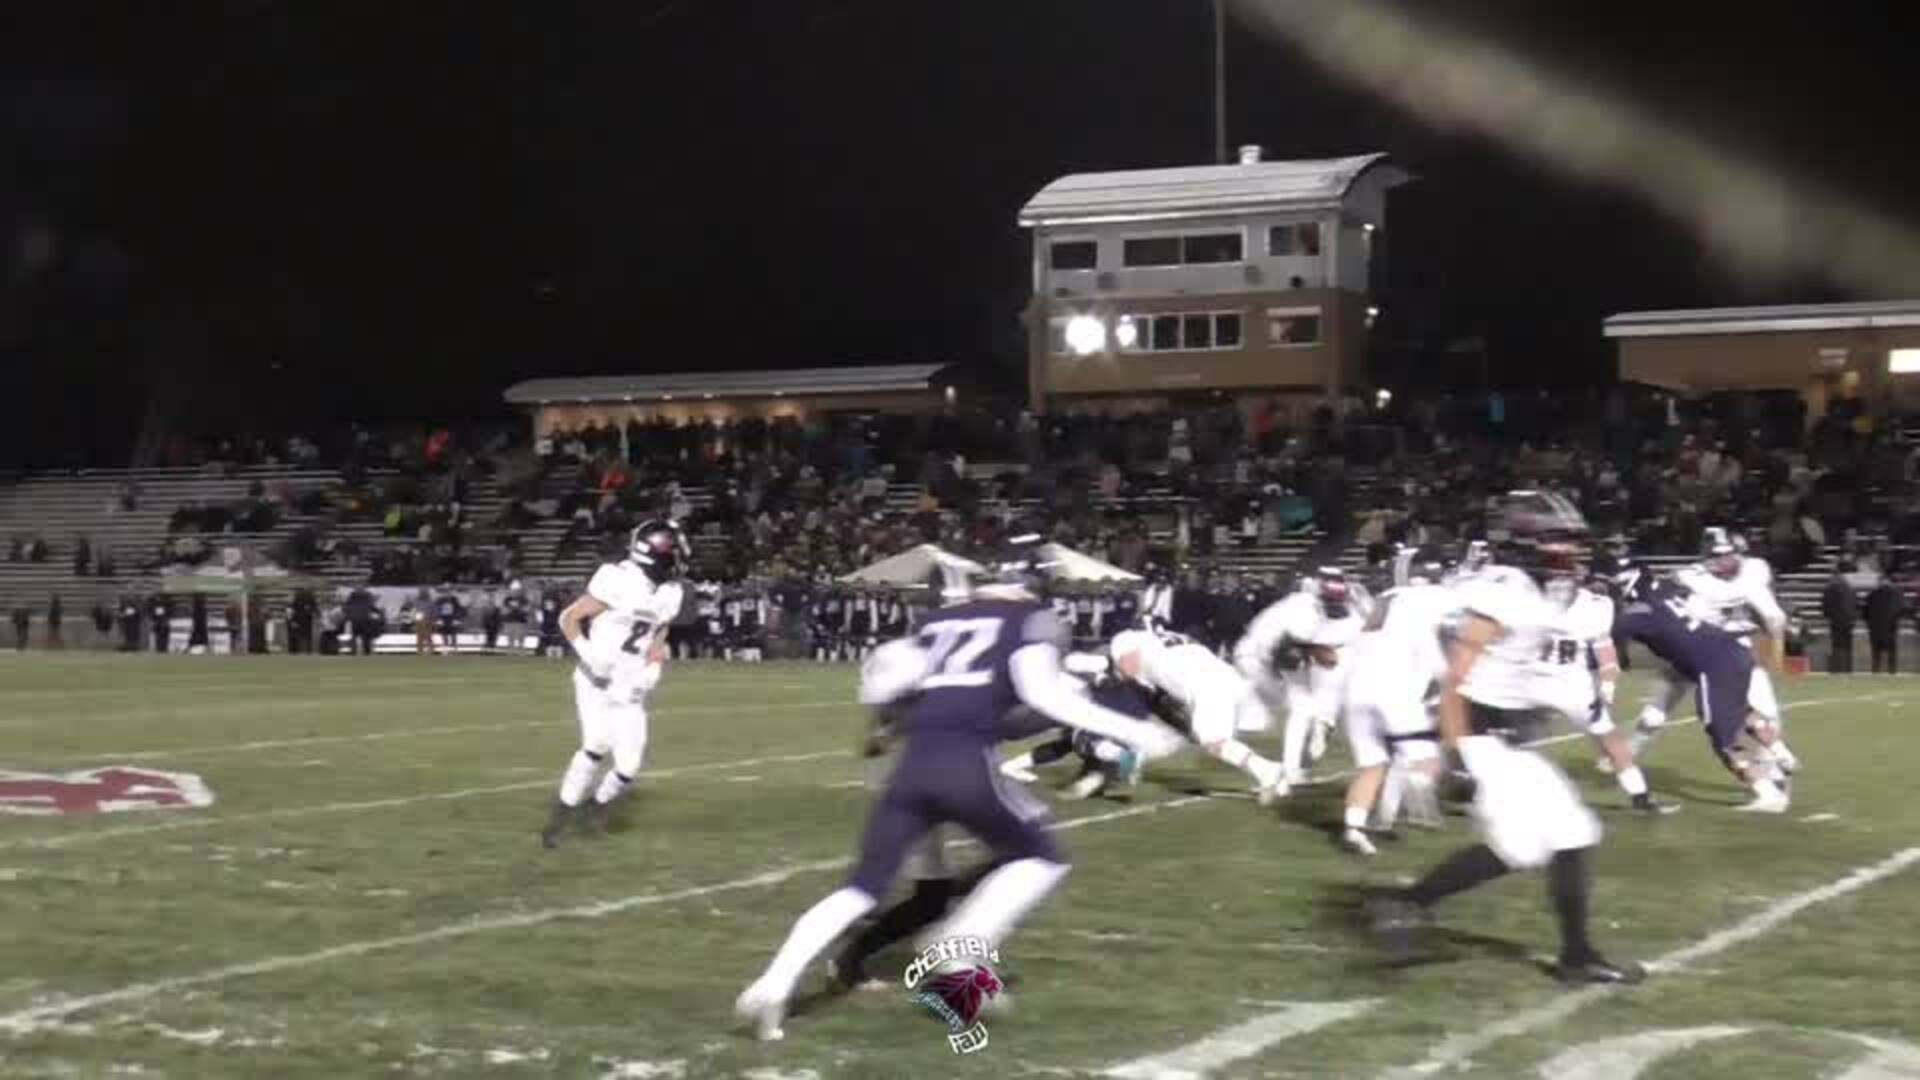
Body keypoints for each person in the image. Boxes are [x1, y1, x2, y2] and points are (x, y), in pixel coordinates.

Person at [734, 538, 1182, 1041]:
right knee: (1041, 856)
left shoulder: (940, 620)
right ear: (1034, 581)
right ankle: (958, 948)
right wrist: (1134, 730)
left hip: (910, 764)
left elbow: (890, 689)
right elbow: (1042, 694)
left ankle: (772, 983)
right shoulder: (1030, 619)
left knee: (861, 887)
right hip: (965, 761)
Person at [1366, 492, 1643, 985]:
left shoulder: (1531, 590)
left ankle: (1408, 903)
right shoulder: (1505, 593)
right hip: (1483, 735)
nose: (1571, 550)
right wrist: (1458, 756)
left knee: (1534, 843)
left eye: (1572, 540)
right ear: (1523, 542)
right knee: (1567, 835)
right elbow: (1454, 680)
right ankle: (1575, 957)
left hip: (1504, 735)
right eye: (1558, 540)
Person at [1607, 558, 1800, 813]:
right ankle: (1780, 751)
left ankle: (1767, 793)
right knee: (1740, 710)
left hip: (1713, 664)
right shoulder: (1663, 591)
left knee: (1723, 739)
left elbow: (1605, 632)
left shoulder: (1639, 612)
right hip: (1732, 650)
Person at [539, 521, 690, 847]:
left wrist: (654, 665)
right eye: (675, 551)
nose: (680, 558)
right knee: (596, 744)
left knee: (629, 766)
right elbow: (568, 618)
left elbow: (659, 630)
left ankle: (595, 807)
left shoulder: (670, 592)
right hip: (595, 680)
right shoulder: (618, 578)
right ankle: (562, 814)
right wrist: (588, 653)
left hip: (630, 685)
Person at [1109, 623, 1290, 804]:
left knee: (1214, 741)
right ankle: (1280, 782)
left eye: (1122, 661)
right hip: (1228, 676)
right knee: (1223, 737)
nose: (1124, 667)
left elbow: (1142, 687)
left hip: (1206, 687)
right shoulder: (1163, 640)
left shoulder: (1143, 655)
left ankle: (1269, 771)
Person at [1234, 567, 1365, 787]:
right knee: (1302, 708)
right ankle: (1293, 770)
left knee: (1304, 707)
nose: (1334, 608)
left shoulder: (1310, 604)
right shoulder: (1303, 609)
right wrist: (1320, 653)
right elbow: (1287, 652)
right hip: (1257, 659)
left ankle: (1299, 759)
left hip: (1269, 656)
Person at [1821, 569, 1858, 674]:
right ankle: (1847, 668)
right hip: (1848, 622)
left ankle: (1837, 668)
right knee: (1847, 646)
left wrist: (1828, 616)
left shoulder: (1829, 590)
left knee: (1837, 646)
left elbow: (1825, 607)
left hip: (1835, 622)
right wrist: (1853, 618)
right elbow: (1856, 606)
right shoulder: (1851, 590)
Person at [1866, 578, 1902, 674]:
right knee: (1891, 653)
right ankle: (1892, 671)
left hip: (1875, 630)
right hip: (1891, 629)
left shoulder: (1872, 594)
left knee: (1876, 654)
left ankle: (1876, 672)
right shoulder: (1896, 594)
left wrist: (1870, 625)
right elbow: (1900, 610)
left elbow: (1866, 612)